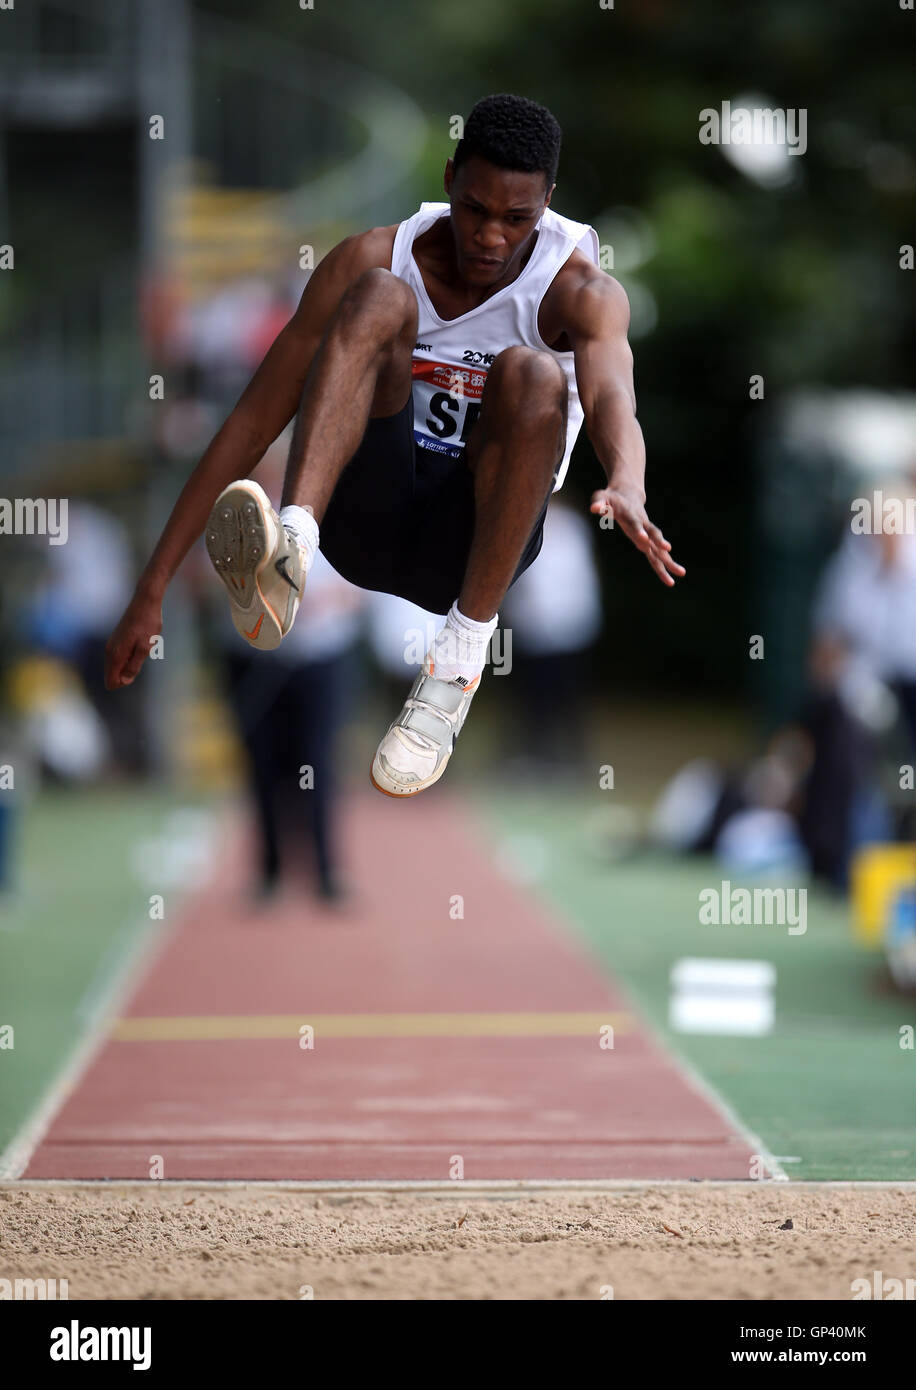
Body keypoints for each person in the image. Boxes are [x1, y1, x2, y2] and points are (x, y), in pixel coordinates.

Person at [106, 93, 684, 797]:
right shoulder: (374, 256)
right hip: (364, 521)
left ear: (548, 204)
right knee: (380, 296)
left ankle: (456, 666)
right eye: (475, 209)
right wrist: (152, 585)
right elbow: (254, 420)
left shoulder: (578, 289)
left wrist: (627, 476)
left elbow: (613, 392)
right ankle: (291, 548)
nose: (491, 239)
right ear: (448, 180)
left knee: (530, 373)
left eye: (516, 219)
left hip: (474, 547)